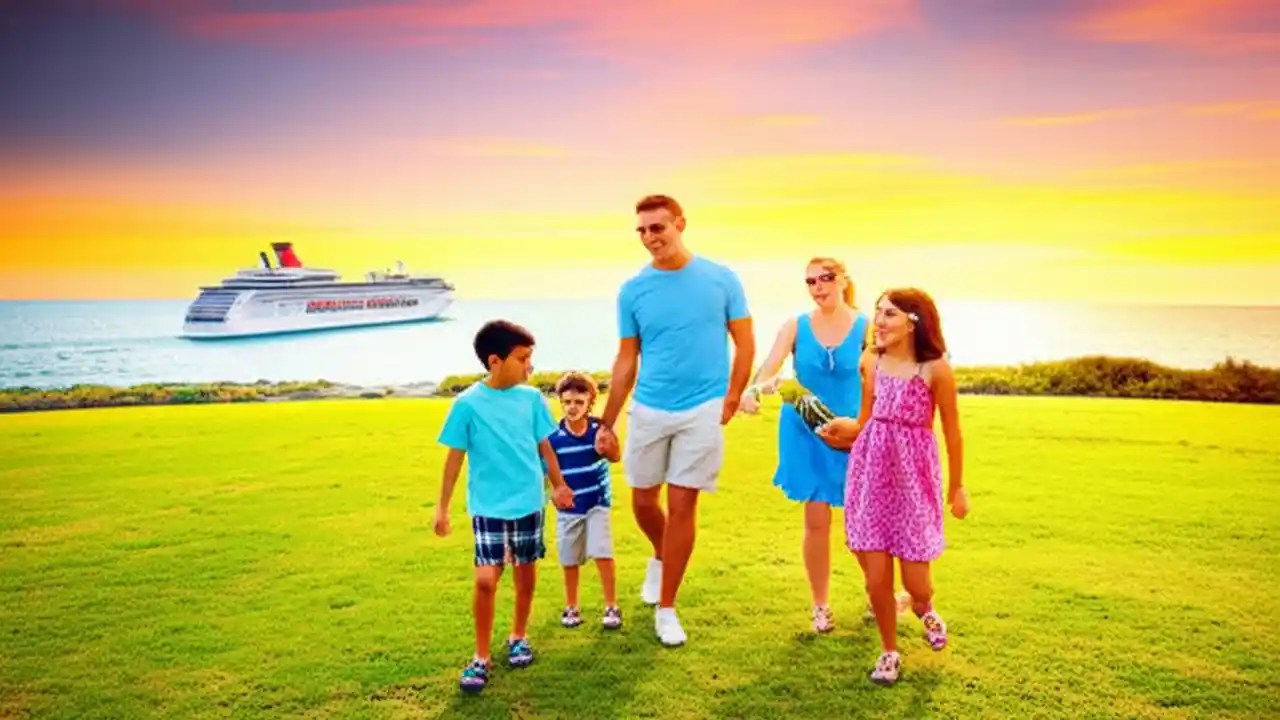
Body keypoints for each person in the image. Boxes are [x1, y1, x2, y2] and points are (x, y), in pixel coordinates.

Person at [597, 194, 755, 647]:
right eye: (642, 231)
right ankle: (661, 556)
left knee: (684, 504)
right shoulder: (633, 291)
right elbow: (627, 360)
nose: (650, 238)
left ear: (680, 224)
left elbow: (744, 343)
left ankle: (667, 609)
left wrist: (732, 393)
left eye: (657, 228)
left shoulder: (721, 279)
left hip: (704, 407)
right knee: (644, 502)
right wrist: (606, 422)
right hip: (649, 406)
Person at [818, 288, 970, 686]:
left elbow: (952, 433)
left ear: (913, 321)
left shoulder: (936, 369)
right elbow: (867, 419)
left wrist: (957, 488)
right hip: (870, 472)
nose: (880, 322)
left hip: (913, 477)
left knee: (916, 582)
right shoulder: (871, 361)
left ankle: (924, 607)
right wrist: (841, 431)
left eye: (889, 314)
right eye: (878, 313)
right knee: (876, 579)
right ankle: (889, 652)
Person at [433, 319, 576, 694]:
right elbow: (454, 460)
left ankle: (518, 636)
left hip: (528, 502)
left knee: (525, 576)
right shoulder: (466, 405)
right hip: (489, 507)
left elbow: (545, 447)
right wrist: (442, 509)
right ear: (495, 361)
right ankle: (481, 657)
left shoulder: (531, 400)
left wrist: (559, 486)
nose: (531, 366)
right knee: (485, 580)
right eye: (523, 358)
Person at [738, 257, 871, 633]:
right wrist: (754, 389)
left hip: (851, 432)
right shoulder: (795, 325)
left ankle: (878, 593)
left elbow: (883, 376)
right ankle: (820, 607)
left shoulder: (867, 326)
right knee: (816, 521)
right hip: (805, 429)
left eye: (826, 278)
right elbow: (771, 366)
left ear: (843, 279)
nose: (818, 286)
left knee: (860, 524)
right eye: (810, 281)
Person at [547, 371, 623, 631]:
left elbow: (616, 456)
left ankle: (611, 605)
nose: (572, 407)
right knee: (569, 558)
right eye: (567, 402)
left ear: (590, 402)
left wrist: (607, 447)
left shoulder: (597, 429)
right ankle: (572, 606)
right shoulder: (553, 437)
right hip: (569, 508)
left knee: (602, 552)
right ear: (561, 402)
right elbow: (548, 472)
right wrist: (555, 492)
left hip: (597, 501)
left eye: (579, 402)